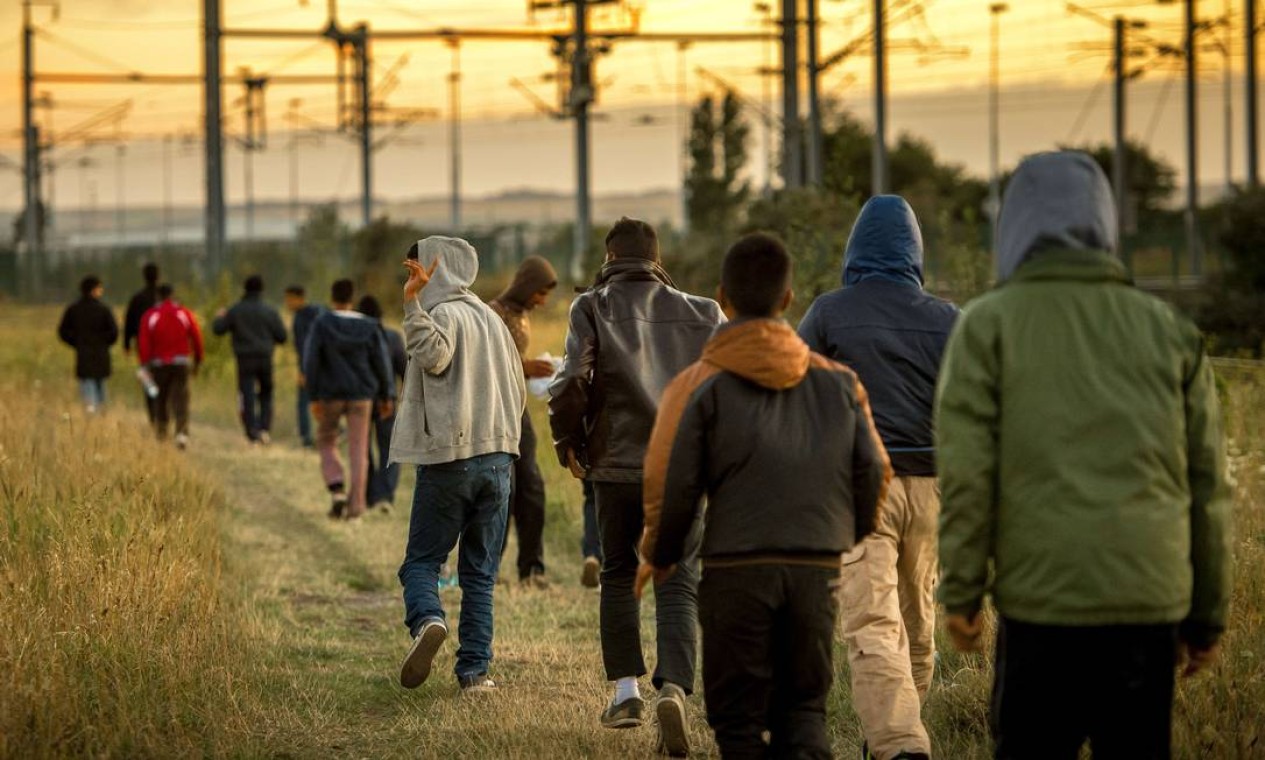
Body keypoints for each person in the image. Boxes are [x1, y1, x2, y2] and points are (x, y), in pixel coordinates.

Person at [935, 151, 1233, 759]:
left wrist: (962, 594)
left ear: (1011, 229)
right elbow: (1208, 487)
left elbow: (968, 476)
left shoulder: (987, 326)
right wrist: (1207, 616)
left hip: (1041, 608)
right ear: (1106, 225)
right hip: (1146, 608)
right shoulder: (1168, 329)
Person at [636, 232, 891, 759]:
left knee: (738, 723)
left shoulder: (696, 385)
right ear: (789, 299)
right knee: (804, 712)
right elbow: (875, 472)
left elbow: (673, 483)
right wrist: (843, 536)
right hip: (815, 568)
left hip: (735, 571)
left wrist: (660, 555)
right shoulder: (841, 384)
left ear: (721, 297)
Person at [548, 217, 724, 752]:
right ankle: (673, 687)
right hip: (682, 467)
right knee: (679, 576)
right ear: (656, 256)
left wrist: (569, 444)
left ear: (609, 256)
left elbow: (573, 380)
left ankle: (626, 693)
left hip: (615, 465)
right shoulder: (705, 312)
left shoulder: (592, 306)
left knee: (620, 571)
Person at [797, 195, 958, 760]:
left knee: (871, 620)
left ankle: (897, 744)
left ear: (855, 249)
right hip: (933, 488)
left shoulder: (828, 312)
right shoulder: (948, 320)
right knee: (917, 620)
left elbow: (796, 396)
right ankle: (894, 738)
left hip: (863, 487)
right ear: (915, 251)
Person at [392, 236, 526, 695]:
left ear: (434, 269)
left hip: (452, 460)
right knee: (480, 575)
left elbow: (433, 356)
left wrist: (411, 305)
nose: (411, 278)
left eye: (415, 269)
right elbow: (519, 388)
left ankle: (429, 620)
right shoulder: (492, 319)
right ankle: (474, 675)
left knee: (421, 563)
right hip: (499, 460)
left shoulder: (442, 314)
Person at [488, 255, 559, 587]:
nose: (542, 301)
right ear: (527, 285)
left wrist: (532, 369)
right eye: (540, 292)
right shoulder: (493, 313)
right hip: (493, 413)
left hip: (518, 409)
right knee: (505, 490)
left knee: (532, 487)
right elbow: (484, 363)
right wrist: (524, 367)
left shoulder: (522, 315)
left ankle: (532, 569)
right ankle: (489, 567)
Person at [302, 279, 395, 521]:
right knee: (359, 450)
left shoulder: (322, 323)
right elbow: (382, 363)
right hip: (362, 395)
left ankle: (336, 487)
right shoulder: (370, 326)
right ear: (352, 298)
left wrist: (312, 396)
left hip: (330, 394)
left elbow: (311, 361)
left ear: (332, 298)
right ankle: (356, 509)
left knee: (326, 440)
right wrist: (387, 395)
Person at [212, 274, 287, 444]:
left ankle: (251, 431)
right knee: (266, 393)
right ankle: (264, 428)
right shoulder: (270, 311)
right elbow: (282, 336)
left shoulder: (236, 309)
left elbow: (218, 330)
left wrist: (219, 316)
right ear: (262, 289)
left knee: (247, 394)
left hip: (244, 358)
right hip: (265, 357)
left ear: (244, 289)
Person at [356, 294, 407, 511]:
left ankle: (368, 495)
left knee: (363, 449)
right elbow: (405, 370)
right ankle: (384, 496)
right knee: (389, 450)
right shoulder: (393, 337)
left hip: (361, 400)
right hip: (387, 401)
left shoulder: (355, 337)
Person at [137, 283, 204, 449]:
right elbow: (196, 337)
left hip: (159, 364)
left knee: (160, 399)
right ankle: (181, 433)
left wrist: (145, 364)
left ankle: (162, 433)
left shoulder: (151, 315)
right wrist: (197, 360)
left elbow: (144, 343)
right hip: (181, 363)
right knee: (181, 397)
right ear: (173, 295)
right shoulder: (184, 313)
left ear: (158, 296)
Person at [57, 274, 120, 414]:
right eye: (99, 288)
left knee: (87, 389)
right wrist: (104, 342)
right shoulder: (103, 309)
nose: (101, 291)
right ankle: (102, 417)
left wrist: (76, 342)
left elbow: (62, 332)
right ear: (93, 290)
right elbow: (114, 332)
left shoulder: (73, 309)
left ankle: (91, 415)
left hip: (83, 355)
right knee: (101, 389)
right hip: (101, 356)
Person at [285, 285, 324, 447]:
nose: (287, 303)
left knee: (304, 400)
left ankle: (306, 437)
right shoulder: (320, 311)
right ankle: (334, 430)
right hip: (324, 363)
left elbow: (303, 347)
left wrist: (303, 370)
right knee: (323, 399)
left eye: (289, 299)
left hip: (310, 365)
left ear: (298, 298)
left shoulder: (301, 318)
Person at [123, 262, 161, 423]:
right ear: (159, 276)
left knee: (149, 381)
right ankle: (163, 413)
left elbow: (129, 323)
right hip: (164, 346)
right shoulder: (164, 297)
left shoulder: (137, 298)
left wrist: (126, 344)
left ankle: (153, 413)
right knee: (164, 379)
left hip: (144, 347)